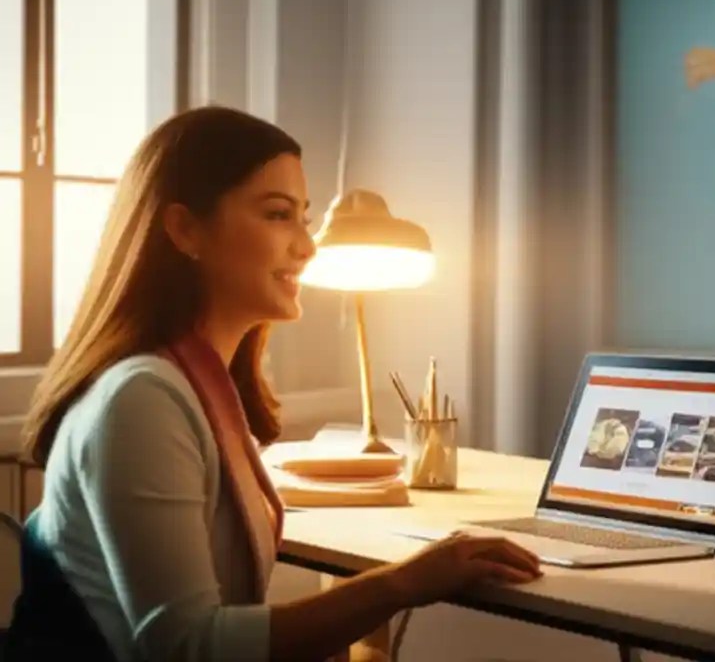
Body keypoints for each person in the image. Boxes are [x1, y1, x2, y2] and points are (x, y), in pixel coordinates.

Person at [3, 106, 542, 662]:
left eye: (303, 218)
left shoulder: (199, 385)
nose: (307, 247)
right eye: (278, 215)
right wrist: (402, 583)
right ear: (186, 230)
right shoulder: (141, 399)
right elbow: (187, 647)